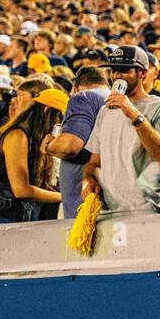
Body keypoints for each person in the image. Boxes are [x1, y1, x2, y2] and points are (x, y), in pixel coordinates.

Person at [82, 45, 160, 215]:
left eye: (123, 70)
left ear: (142, 73)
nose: (116, 76)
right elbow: (93, 162)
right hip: (108, 210)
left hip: (146, 209)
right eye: (113, 70)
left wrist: (133, 113)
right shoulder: (105, 111)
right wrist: (88, 180)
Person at [0, 88, 65, 226]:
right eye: (59, 120)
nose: (58, 127)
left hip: (12, 210)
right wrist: (64, 197)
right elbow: (21, 189)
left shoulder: (31, 138)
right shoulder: (17, 136)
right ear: (47, 111)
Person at [44, 65, 109, 220]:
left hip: (85, 202)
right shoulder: (122, 100)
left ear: (75, 87)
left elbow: (69, 146)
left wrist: (49, 146)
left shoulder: (84, 97)